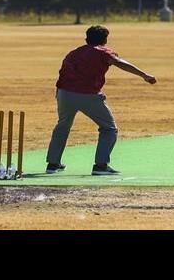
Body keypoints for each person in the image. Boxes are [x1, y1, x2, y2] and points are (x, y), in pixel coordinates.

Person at [45, 25, 157, 176]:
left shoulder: (74, 52)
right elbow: (120, 63)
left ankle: (53, 164)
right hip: (88, 95)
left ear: (87, 38)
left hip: (64, 94)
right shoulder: (103, 52)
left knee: (62, 126)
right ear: (104, 39)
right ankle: (101, 165)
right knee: (109, 129)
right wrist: (144, 75)